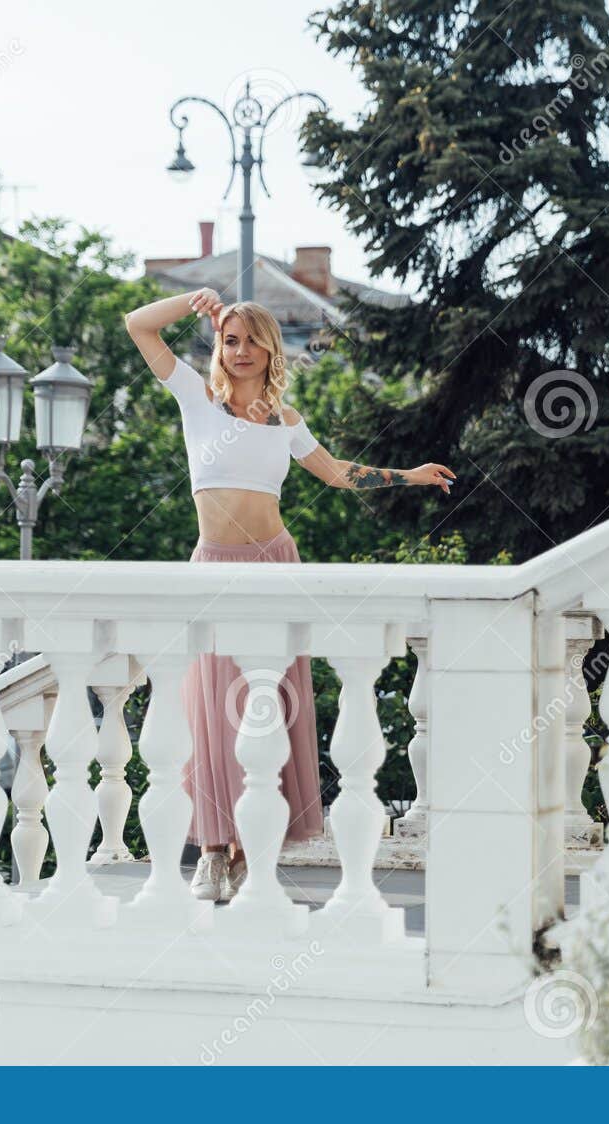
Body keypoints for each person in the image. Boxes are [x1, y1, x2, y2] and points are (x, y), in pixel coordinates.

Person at [123, 289, 455, 901]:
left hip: (275, 565)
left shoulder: (286, 420)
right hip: (213, 569)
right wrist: (193, 302)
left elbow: (338, 473)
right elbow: (139, 325)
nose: (241, 351)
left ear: (272, 349)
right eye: (231, 340)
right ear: (219, 347)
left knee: (263, 703)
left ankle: (249, 850)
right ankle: (213, 851)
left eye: (253, 340)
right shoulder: (196, 399)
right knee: (209, 707)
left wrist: (408, 476)